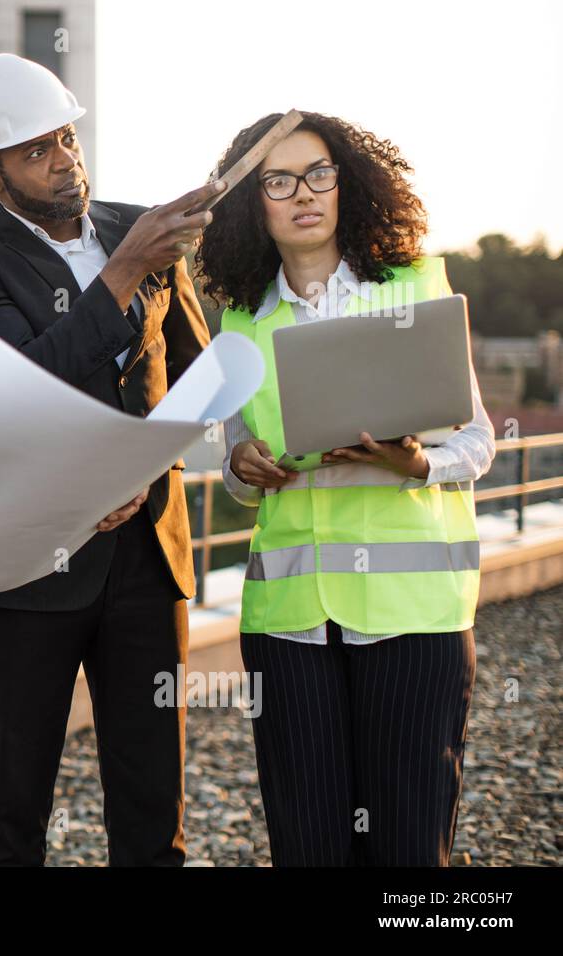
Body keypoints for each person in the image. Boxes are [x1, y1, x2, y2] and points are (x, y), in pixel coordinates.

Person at [0, 53, 221, 866]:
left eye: (67, 139)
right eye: (36, 152)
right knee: (15, 807)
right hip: (32, 568)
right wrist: (125, 275)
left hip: (150, 556)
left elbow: (201, 372)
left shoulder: (141, 228)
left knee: (154, 802)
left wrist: (181, 452)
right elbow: (23, 388)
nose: (64, 161)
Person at [195, 111, 495, 865]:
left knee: (405, 851)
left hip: (413, 617)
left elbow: (478, 440)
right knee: (309, 846)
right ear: (250, 202)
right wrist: (245, 468)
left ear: (347, 182)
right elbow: (237, 467)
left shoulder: (415, 280)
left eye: (320, 173)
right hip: (289, 621)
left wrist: (416, 463)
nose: (305, 193)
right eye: (279, 180)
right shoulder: (240, 319)